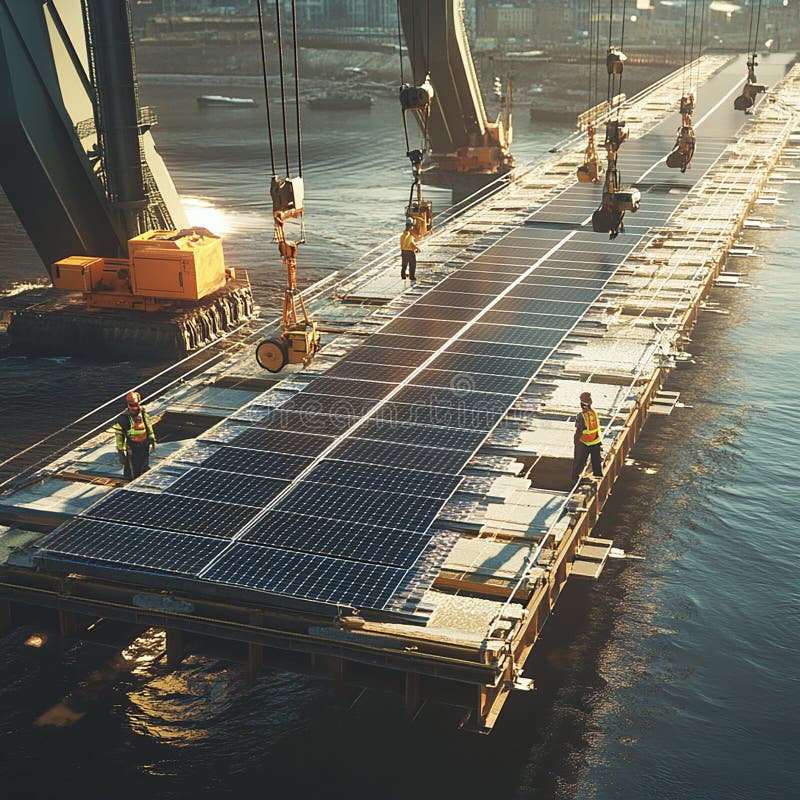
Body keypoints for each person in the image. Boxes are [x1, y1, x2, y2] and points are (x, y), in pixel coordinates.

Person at [113, 390, 156, 480]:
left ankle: (144, 478)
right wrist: (121, 452)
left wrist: (152, 437)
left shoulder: (143, 413)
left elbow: (148, 425)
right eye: (132, 405)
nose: (134, 408)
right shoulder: (123, 418)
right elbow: (119, 437)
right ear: (128, 404)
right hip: (133, 446)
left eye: (136, 405)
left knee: (144, 464)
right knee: (133, 468)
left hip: (144, 443)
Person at [572, 391, 603, 483]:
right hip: (595, 440)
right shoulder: (593, 413)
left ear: (581, 404)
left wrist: (576, 440)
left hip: (584, 441)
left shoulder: (581, 416)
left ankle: (575, 478)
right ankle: (598, 475)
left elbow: (579, 430)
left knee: (579, 460)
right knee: (596, 459)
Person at [399, 217, 420, 281]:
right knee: (412, 264)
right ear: (411, 226)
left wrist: (402, 251)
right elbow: (411, 243)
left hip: (404, 251)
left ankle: (403, 277)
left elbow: (401, 243)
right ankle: (412, 277)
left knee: (404, 265)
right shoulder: (409, 234)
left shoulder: (403, 234)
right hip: (410, 252)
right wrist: (417, 248)